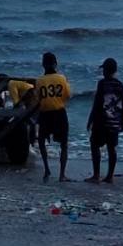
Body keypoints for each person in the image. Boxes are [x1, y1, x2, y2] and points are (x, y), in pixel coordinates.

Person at [85, 57, 123, 183]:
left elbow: (97, 103)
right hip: (114, 122)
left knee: (94, 145)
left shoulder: (102, 84)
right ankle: (110, 176)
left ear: (105, 71)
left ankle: (96, 175)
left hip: (102, 122)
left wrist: (91, 120)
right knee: (111, 148)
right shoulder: (120, 85)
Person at [32, 51, 72, 181]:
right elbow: (67, 96)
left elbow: (37, 99)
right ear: (55, 64)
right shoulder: (62, 78)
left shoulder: (39, 81)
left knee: (42, 141)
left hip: (45, 114)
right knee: (64, 144)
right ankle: (62, 174)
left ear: (43, 65)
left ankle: (47, 169)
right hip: (59, 113)